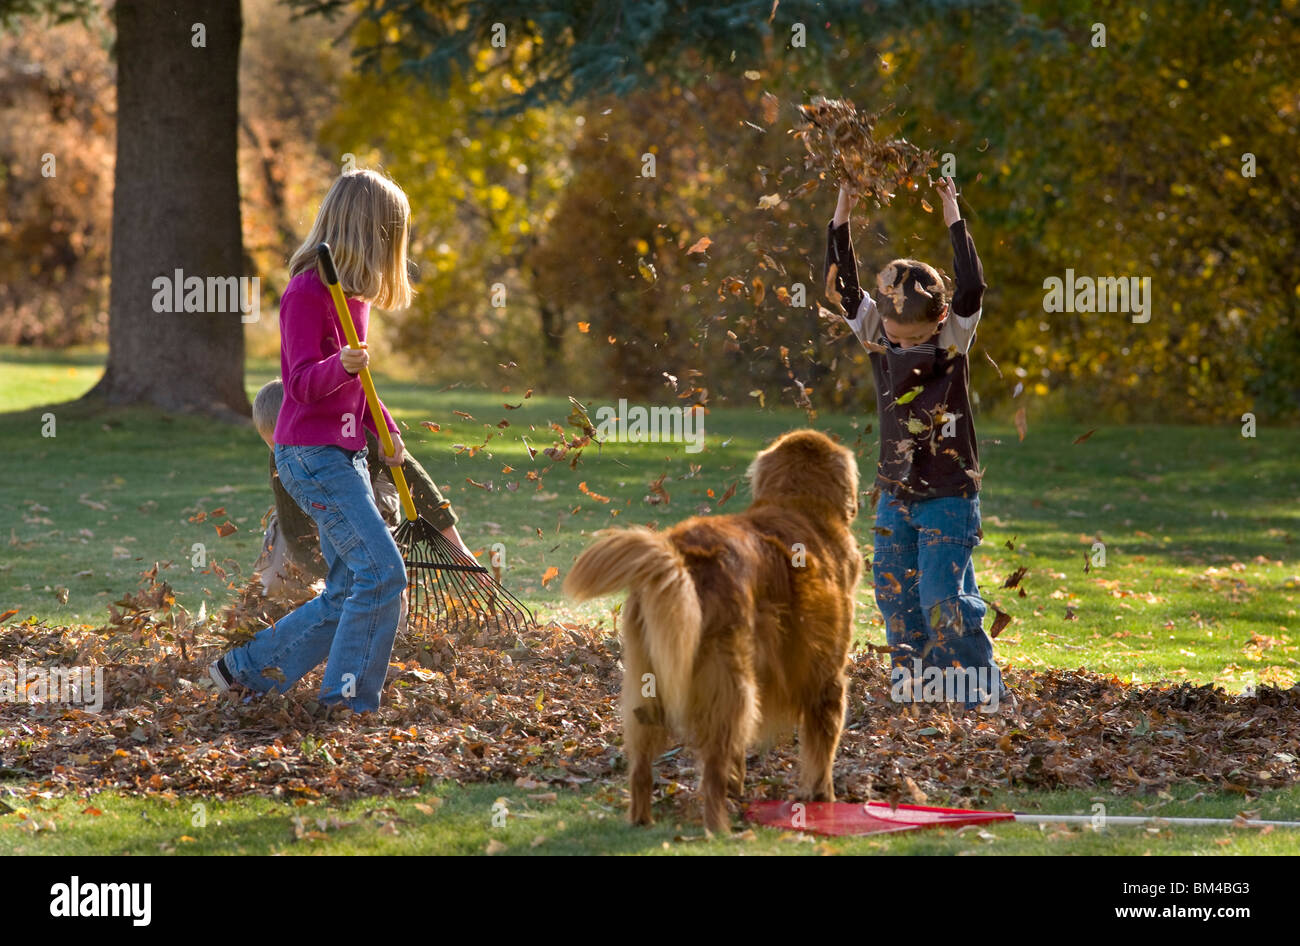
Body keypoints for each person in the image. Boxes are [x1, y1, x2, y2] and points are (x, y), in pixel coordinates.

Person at [209, 168, 418, 713]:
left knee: (350, 590)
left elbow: (360, 393)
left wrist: (388, 434)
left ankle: (246, 671)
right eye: (391, 236)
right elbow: (300, 385)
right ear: (368, 233)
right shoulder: (306, 291)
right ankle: (347, 705)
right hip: (308, 455)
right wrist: (340, 367)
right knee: (382, 573)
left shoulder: (355, 300)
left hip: (344, 458)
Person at [825, 175, 1007, 710]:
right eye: (895, 338)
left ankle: (979, 693)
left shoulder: (953, 337)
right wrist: (843, 209)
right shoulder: (876, 331)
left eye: (915, 339)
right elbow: (843, 286)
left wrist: (953, 212)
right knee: (894, 593)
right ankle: (919, 688)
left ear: (940, 321)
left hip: (950, 491)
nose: (901, 346)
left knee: (943, 598)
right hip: (895, 491)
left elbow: (971, 286)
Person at [247, 378, 470, 609]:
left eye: (293, 445)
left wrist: (456, 545)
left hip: (370, 490)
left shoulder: (354, 429)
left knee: (381, 577)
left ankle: (391, 613)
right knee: (278, 583)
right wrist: (331, 576)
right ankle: (304, 619)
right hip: (314, 506)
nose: (287, 454)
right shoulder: (281, 463)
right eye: (278, 448)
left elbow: (412, 478)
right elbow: (295, 532)